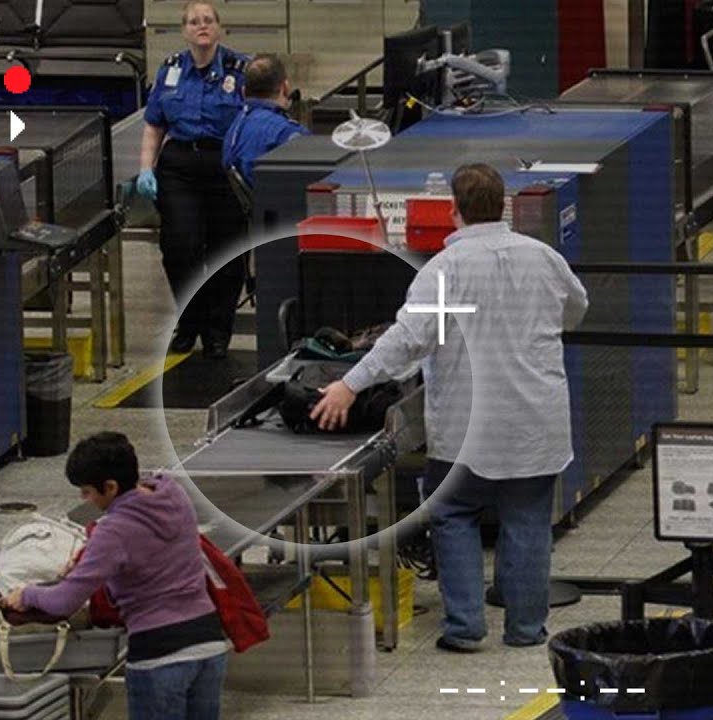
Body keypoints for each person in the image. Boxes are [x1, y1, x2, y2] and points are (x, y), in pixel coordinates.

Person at [310, 163, 589, 651]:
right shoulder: (544, 258)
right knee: (526, 520)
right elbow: (576, 308)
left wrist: (348, 385)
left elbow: (406, 342)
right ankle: (525, 628)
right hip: (534, 422)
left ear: (453, 212)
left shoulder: (444, 270)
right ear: (502, 206)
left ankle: (465, 627)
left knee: (454, 512)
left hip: (467, 425)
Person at [5, 432, 228, 720]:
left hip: (160, 655)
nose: (84, 498)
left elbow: (64, 601)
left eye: (87, 491)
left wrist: (26, 593)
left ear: (110, 486)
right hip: (209, 643)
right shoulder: (173, 494)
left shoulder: (113, 531)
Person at [137, 1, 248, 360]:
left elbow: (255, 117)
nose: (201, 26)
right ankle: (190, 320)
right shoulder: (171, 70)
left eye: (208, 21)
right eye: (193, 22)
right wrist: (145, 168)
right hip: (180, 164)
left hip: (223, 165)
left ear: (219, 28)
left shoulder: (241, 69)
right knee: (179, 247)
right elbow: (155, 124)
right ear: (185, 30)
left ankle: (218, 331)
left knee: (225, 252)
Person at [222, 53, 308, 188]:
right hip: (282, 205)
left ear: (243, 92)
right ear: (285, 88)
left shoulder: (234, 129)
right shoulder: (287, 132)